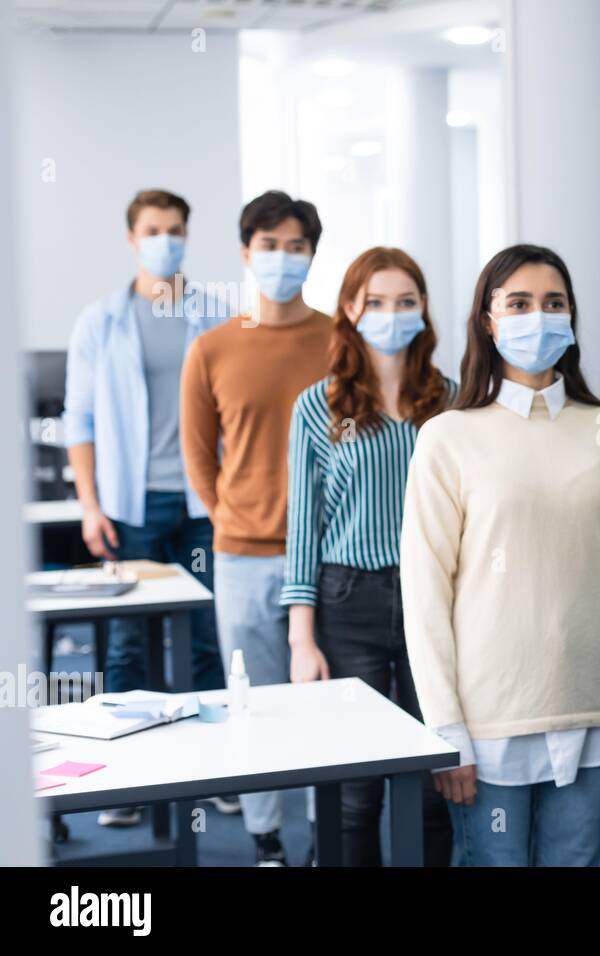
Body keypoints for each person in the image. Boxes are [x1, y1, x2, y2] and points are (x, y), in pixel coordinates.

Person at [401, 244, 600, 866]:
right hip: (488, 723)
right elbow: (425, 599)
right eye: (519, 303)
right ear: (487, 319)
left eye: (553, 303)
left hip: (596, 712)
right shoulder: (448, 437)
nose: (539, 316)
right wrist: (446, 732)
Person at [282, 247, 457, 866]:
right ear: (350, 311)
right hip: (346, 601)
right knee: (356, 792)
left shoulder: (450, 400)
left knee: (436, 780)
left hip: (432, 602)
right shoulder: (319, 406)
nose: (391, 313)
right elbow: (303, 531)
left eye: (405, 301)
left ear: (424, 311)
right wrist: (303, 641)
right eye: (375, 302)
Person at [63, 189, 229, 828]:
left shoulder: (214, 318)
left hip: (201, 504)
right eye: (154, 230)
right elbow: (79, 420)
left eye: (176, 230)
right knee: (130, 644)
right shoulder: (100, 322)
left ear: (188, 235)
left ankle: (218, 772)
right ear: (131, 238)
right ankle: (128, 783)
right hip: (131, 508)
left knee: (210, 636)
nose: (166, 240)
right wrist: (89, 505)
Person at [179, 190, 333, 866]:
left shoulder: (341, 341)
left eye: (295, 246)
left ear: (312, 255)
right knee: (257, 704)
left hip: (333, 557)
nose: (281, 257)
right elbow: (197, 454)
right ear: (246, 253)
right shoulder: (212, 348)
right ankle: (268, 838)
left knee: (330, 705)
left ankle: (333, 833)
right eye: (268, 246)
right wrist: (232, 519)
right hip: (241, 557)